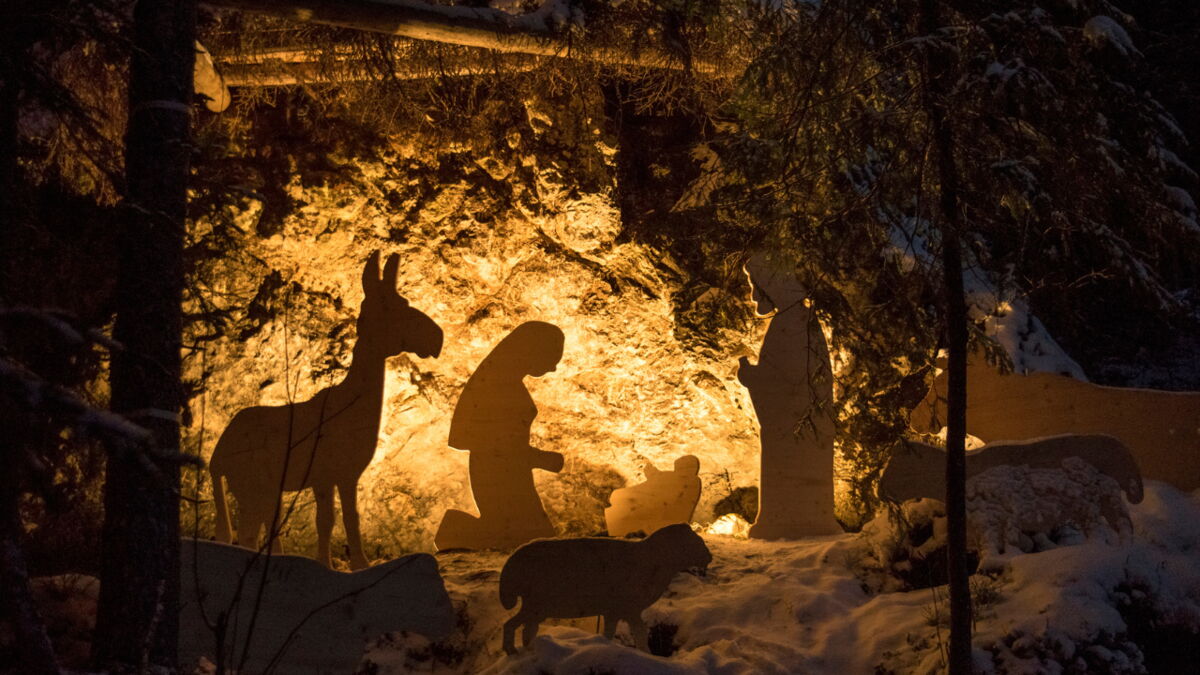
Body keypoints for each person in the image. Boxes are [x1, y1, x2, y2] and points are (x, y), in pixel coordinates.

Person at [435, 321, 566, 550]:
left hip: (509, 472)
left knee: (527, 537)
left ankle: (454, 534)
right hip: (498, 474)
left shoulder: (505, 383)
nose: (553, 368)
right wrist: (541, 458)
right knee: (530, 538)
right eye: (552, 357)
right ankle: (453, 533)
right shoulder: (501, 388)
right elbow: (500, 447)